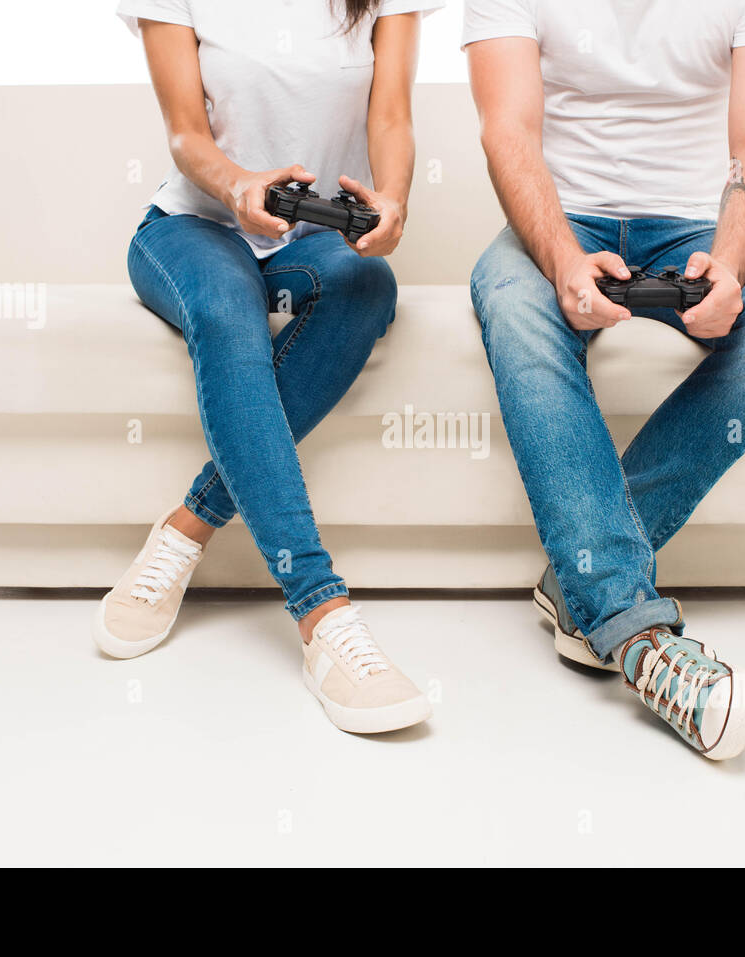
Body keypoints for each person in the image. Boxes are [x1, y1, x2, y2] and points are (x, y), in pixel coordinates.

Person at [464, 0, 745, 759]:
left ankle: (582, 581)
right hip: (563, 221)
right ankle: (636, 634)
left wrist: (728, 266)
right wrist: (563, 259)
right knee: (515, 307)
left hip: (696, 226)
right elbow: (508, 132)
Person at [94, 0, 443, 736]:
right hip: (194, 224)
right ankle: (322, 614)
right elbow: (187, 134)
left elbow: (391, 117)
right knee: (227, 311)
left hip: (307, 231)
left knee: (367, 288)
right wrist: (237, 185)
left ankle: (188, 525)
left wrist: (394, 197)